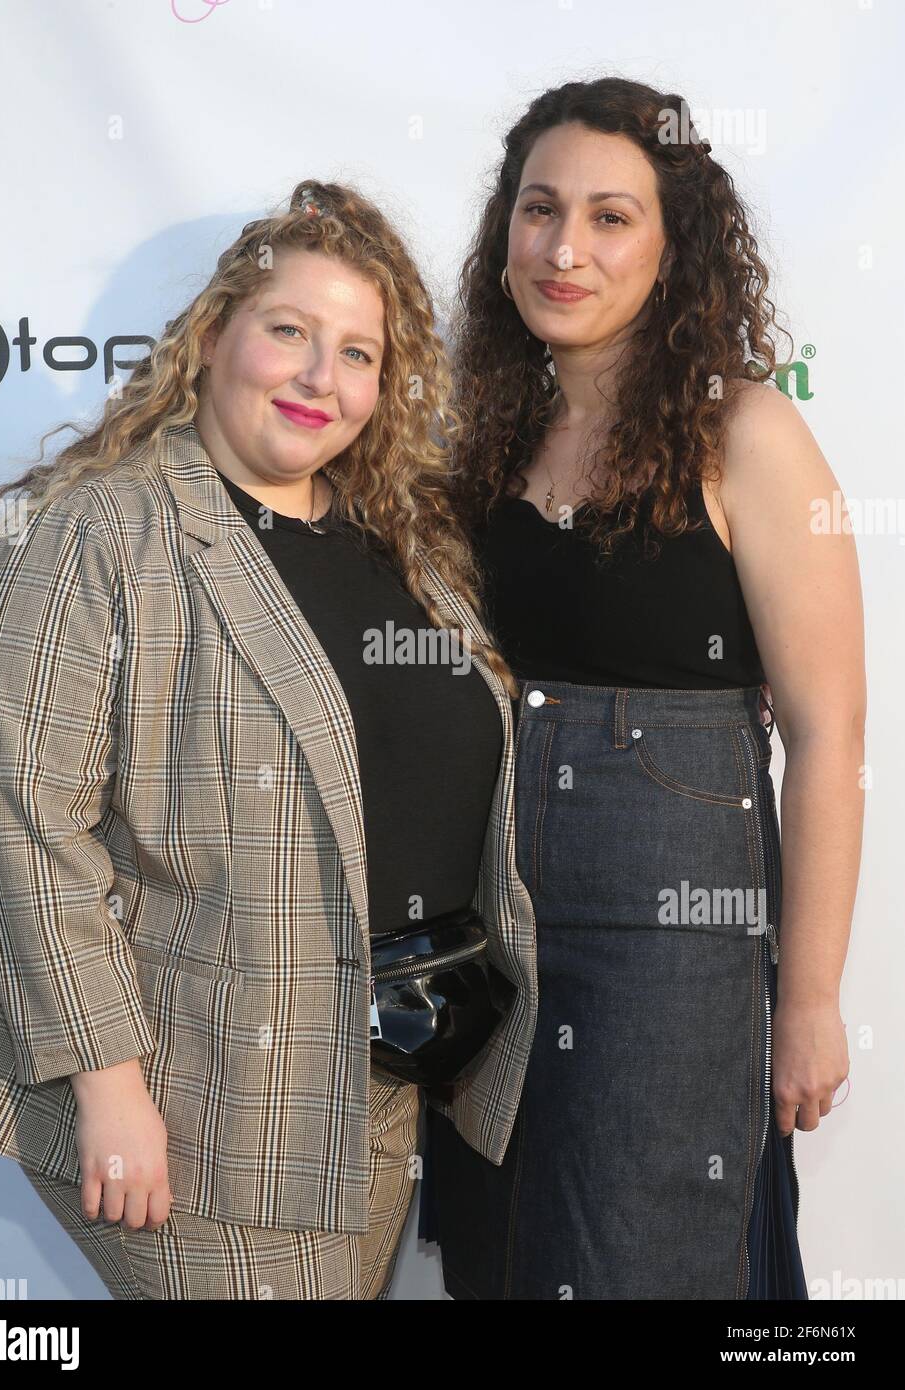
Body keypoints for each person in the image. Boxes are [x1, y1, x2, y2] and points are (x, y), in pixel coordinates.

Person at [0, 181, 538, 1300]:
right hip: (197, 1092)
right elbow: (29, 826)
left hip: (381, 1082)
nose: (323, 377)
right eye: (290, 332)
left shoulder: (398, 545)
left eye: (358, 352)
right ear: (210, 339)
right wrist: (109, 1088)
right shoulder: (97, 530)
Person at [420, 78, 863, 1300]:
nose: (564, 248)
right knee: (498, 1251)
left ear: (674, 248)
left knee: (646, 1256)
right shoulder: (476, 435)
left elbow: (828, 735)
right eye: (538, 209)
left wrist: (811, 1000)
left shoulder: (747, 433)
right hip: (487, 925)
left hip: (675, 940)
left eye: (610, 217)